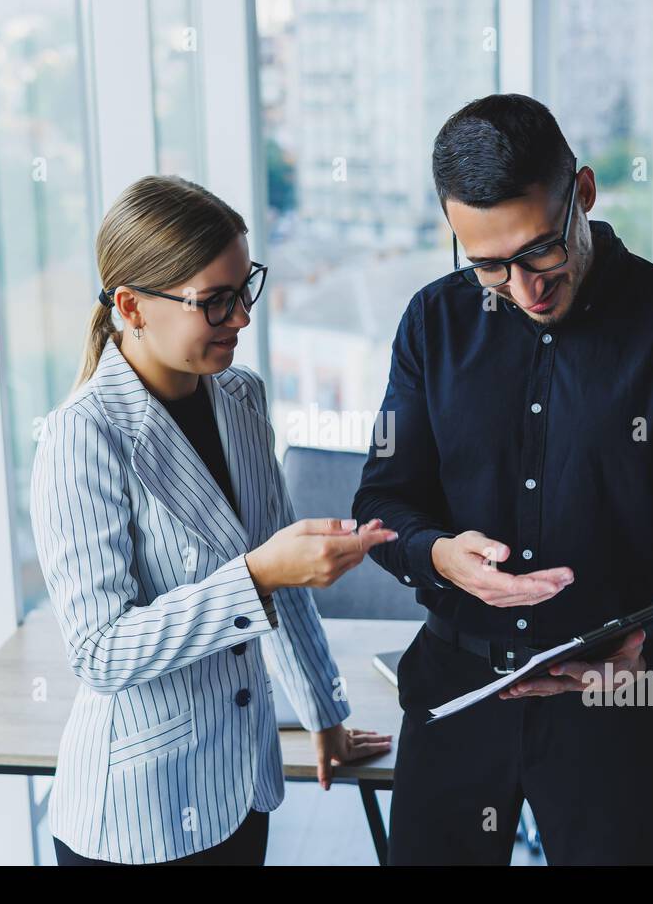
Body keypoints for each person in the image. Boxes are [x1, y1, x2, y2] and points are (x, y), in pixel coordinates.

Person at [353, 93, 653, 865]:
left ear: (581, 193)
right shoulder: (430, 323)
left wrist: (647, 651)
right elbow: (380, 502)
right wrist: (438, 553)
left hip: (615, 703)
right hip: (454, 691)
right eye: (487, 264)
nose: (522, 287)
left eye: (541, 251)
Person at [31, 174, 392, 865]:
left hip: (239, 789)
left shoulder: (241, 397)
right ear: (132, 307)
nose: (242, 319)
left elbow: (280, 577)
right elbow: (101, 652)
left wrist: (325, 715)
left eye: (243, 288)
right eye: (216, 301)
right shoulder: (82, 435)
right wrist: (255, 576)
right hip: (134, 819)